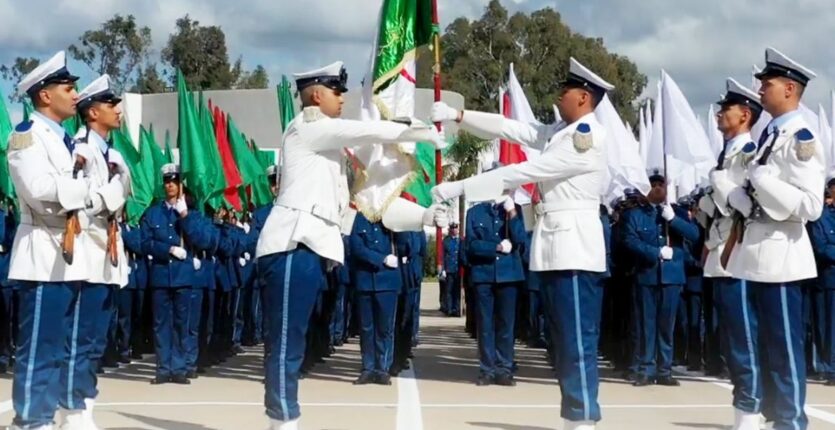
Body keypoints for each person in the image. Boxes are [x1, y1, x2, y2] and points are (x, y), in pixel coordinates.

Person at [254, 61, 447, 430]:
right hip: (292, 244)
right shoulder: (309, 128)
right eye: (335, 91)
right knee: (285, 340)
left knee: (294, 338)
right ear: (315, 95)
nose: (342, 98)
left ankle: (283, 418)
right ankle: (282, 421)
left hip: (312, 247)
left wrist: (423, 217)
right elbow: (363, 129)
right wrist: (418, 132)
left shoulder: (330, 150)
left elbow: (371, 209)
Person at [431, 57, 613, 430]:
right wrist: (459, 115)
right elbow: (511, 128)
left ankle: (581, 420)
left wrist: (461, 187)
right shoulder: (561, 132)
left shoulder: (585, 137)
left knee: (577, 340)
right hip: (555, 248)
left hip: (574, 250)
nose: (558, 97)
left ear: (583, 97)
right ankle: (576, 417)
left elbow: (525, 171)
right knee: (562, 341)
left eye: (564, 92)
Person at [723, 47, 824, 430]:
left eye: (767, 84)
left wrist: (763, 183)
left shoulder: (801, 135)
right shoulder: (771, 133)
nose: (760, 90)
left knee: (783, 350)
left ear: (790, 89)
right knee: (765, 349)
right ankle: (773, 418)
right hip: (757, 252)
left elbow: (810, 205)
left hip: (782, 254)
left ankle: (791, 422)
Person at [7, 50, 95, 430]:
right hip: (42, 250)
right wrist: (88, 188)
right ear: (45, 95)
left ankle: (50, 415)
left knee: (60, 346)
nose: (75, 95)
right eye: (68, 87)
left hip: (68, 251)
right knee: (40, 346)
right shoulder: (26, 137)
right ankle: (32, 420)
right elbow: (40, 190)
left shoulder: (67, 142)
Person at [699, 78, 765, 429]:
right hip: (720, 251)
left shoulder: (749, 154)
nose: (720, 113)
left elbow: (745, 204)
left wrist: (718, 189)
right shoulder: (727, 155)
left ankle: (750, 411)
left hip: (737, 250)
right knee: (732, 337)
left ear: (745, 115)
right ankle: (745, 407)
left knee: (744, 338)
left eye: (727, 109)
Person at [620, 173, 699, 387]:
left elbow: (694, 235)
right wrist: (655, 252)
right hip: (647, 275)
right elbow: (630, 240)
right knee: (647, 325)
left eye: (660, 185)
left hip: (672, 277)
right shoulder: (635, 214)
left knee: (667, 325)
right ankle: (646, 368)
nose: (656, 188)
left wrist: (673, 219)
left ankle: (665, 369)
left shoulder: (677, 212)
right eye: (652, 185)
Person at [465, 193, 526, 386]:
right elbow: (472, 245)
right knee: (485, 325)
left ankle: (504, 369)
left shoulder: (514, 210)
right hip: (484, 275)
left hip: (509, 275)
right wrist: (497, 247)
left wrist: (512, 212)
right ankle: (487, 369)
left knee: (506, 325)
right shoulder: (475, 212)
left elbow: (520, 238)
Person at [441, 223, 461, 316]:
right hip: (449, 269)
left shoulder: (460, 241)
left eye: (455, 228)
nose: (454, 230)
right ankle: (449, 309)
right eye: (452, 228)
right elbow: (443, 256)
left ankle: (456, 309)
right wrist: (443, 269)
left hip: (458, 269)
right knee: (448, 290)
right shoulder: (446, 241)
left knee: (457, 291)